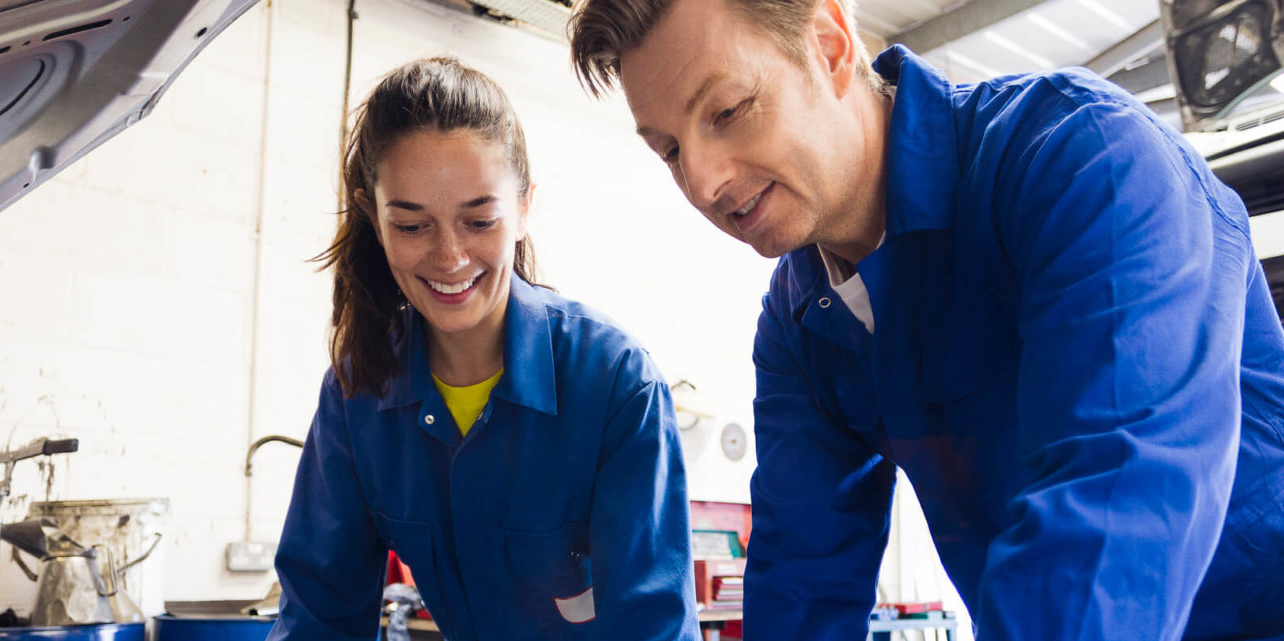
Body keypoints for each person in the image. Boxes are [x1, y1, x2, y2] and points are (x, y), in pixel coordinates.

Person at [567, 0, 1284, 639]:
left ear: (829, 46)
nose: (701, 181)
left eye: (726, 110)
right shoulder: (800, 321)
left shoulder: (1083, 159)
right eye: (669, 150)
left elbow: (1114, 502)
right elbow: (802, 577)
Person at [265, 57, 698, 641]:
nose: (450, 258)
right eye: (411, 226)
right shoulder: (358, 391)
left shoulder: (615, 382)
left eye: (479, 221)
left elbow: (654, 628)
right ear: (373, 218)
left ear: (523, 209)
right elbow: (319, 619)